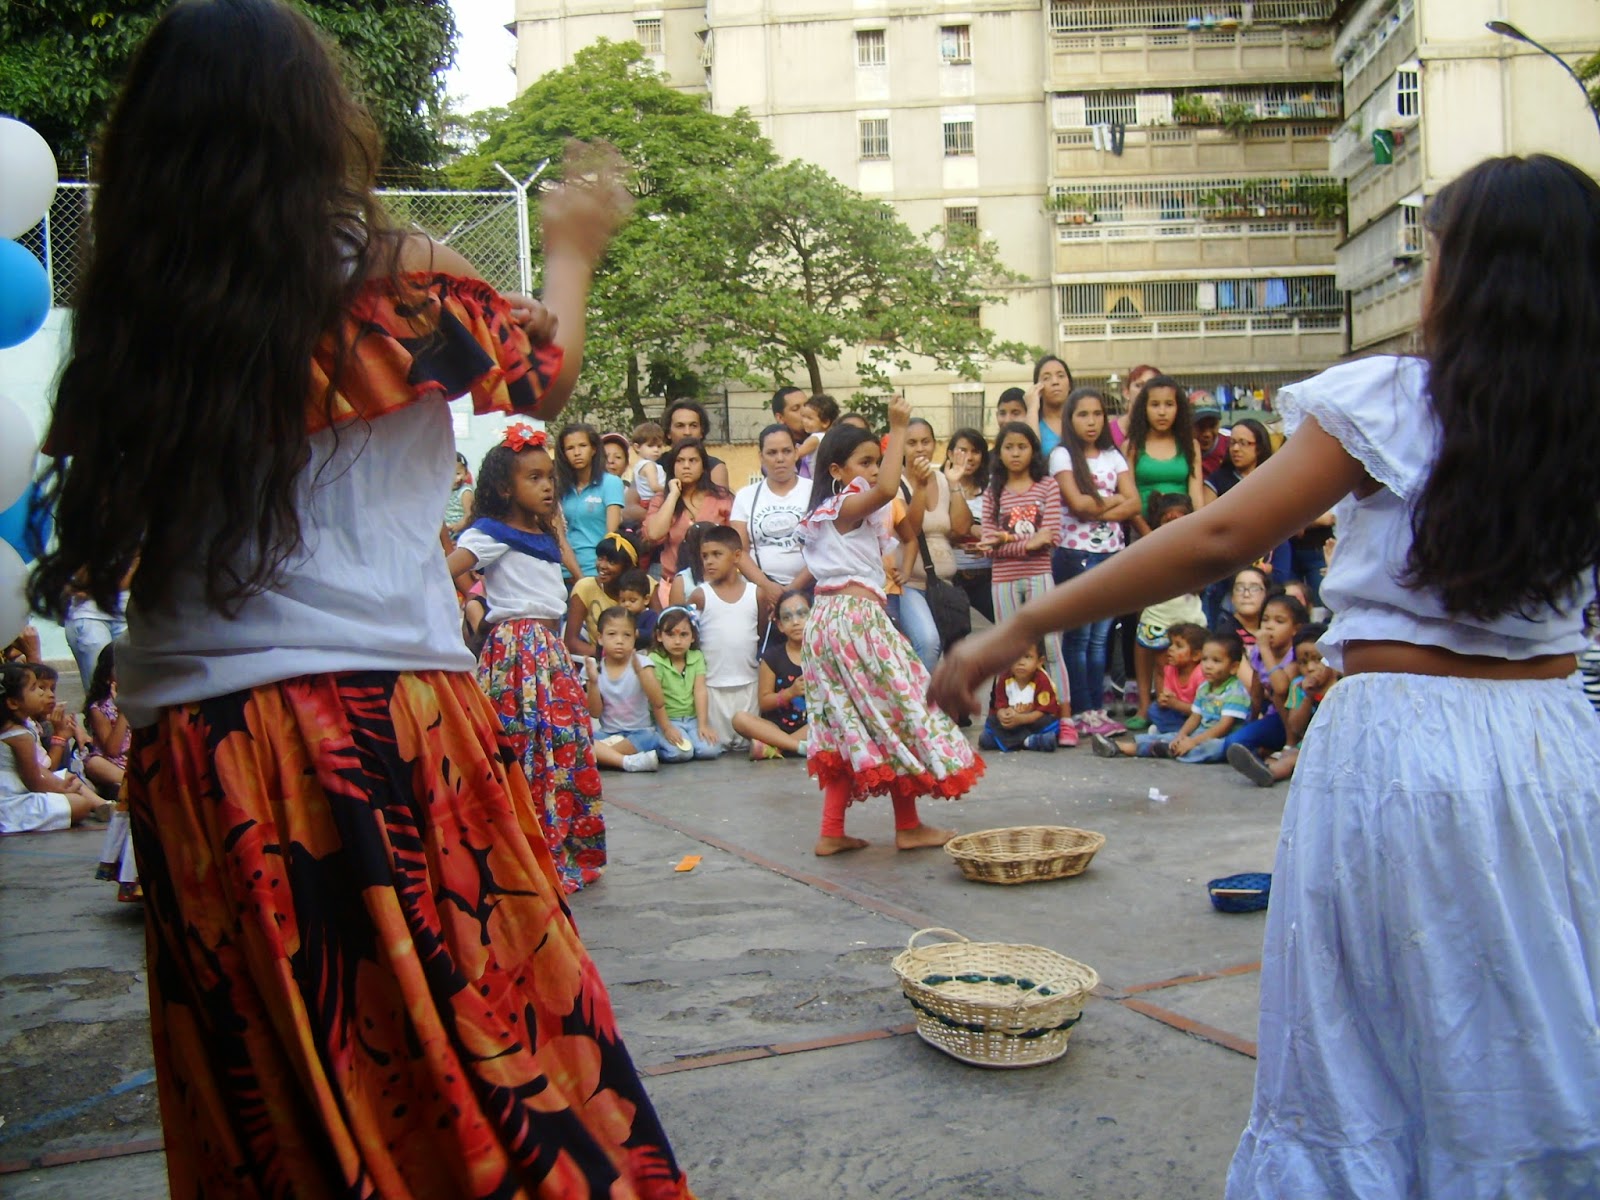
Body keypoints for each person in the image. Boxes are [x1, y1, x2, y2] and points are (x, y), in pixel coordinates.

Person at [24, 4, 692, 1193]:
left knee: (276, 1094)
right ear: (314, 123)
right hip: (374, 724)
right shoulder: (390, 277)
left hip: (196, 754)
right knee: (487, 1060)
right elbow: (540, 370)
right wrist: (575, 242)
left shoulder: (132, 327)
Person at [930, 153, 1600, 1199]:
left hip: (1403, 749)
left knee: (1371, 1025)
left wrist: (1016, 632)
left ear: (1470, 277)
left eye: (1430, 256)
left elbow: (1220, 536)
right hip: (1553, 747)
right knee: (1538, 1006)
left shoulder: (1395, 400)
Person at [797, 396, 982, 856]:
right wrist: (897, 428)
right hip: (854, 622)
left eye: (878, 461)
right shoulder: (841, 506)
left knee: (849, 722)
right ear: (837, 470)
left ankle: (833, 829)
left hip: (834, 623)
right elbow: (882, 492)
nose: (876, 469)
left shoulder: (845, 510)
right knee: (902, 710)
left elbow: (909, 527)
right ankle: (908, 825)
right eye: (866, 461)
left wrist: (918, 487)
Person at [447, 426, 609, 897]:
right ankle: (527, 851)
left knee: (561, 744)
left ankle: (561, 846)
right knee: (525, 746)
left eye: (548, 476)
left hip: (549, 649)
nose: (546, 485)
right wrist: (473, 606)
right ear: (503, 488)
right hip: (517, 652)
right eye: (533, 478)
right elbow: (449, 568)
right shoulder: (489, 534)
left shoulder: (543, 531)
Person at [1050, 386, 1139, 737]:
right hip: (1075, 556)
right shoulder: (1062, 456)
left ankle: (1097, 710)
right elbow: (1077, 505)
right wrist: (1114, 500)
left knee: (1101, 639)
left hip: (1111, 554)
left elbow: (1135, 505)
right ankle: (1083, 708)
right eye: (1082, 414)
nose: (1091, 421)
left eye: (1097, 414)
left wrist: (1098, 503)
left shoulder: (1113, 456)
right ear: (1071, 419)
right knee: (1078, 638)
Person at [980, 421, 1073, 744]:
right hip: (1003, 578)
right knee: (1007, 646)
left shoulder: (1047, 485)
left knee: (1050, 645)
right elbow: (988, 540)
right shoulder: (994, 490)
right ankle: (1003, 714)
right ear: (1000, 452)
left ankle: (1064, 717)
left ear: (1032, 450)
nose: (1015, 453)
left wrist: (1006, 542)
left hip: (1039, 574)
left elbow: (1052, 538)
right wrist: (1026, 541)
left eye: (1022, 446)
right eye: (1008, 447)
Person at [1088, 632, 1248, 762]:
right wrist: (1181, 736)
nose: (1208, 665)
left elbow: (1224, 726)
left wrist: (1193, 741)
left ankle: (1152, 750)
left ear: (1233, 667)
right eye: (1205, 659)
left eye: (1216, 661)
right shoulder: (1205, 687)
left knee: (1213, 748)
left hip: (1221, 737)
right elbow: (1195, 717)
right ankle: (1121, 745)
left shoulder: (1234, 691)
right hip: (1200, 732)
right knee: (1171, 737)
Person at [1228, 623, 1338, 787]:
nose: (1310, 668)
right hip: (1310, 744)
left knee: (1295, 758)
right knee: (1289, 757)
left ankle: (1272, 769)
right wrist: (1308, 697)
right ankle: (1265, 771)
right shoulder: (1299, 687)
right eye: (1303, 662)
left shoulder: (1342, 685)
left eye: (1318, 660)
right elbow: (1296, 726)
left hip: (1337, 743)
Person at [0, 663, 106, 832]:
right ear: (13, 703)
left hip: (20, 788)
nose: (42, 693)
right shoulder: (19, 736)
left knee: (70, 783)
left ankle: (104, 806)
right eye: (35, 688)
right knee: (80, 804)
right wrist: (61, 789)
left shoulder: (22, 728)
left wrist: (61, 785)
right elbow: (34, 781)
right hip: (10, 802)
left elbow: (40, 772)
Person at [730, 424, 811, 630]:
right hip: (763, 594)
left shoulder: (814, 491)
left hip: (810, 589)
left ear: (796, 452)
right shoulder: (745, 496)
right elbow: (739, 552)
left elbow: (825, 548)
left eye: (786, 451)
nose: (780, 458)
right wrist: (767, 587)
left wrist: (793, 590)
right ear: (761, 456)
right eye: (772, 452)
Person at [688, 524, 759, 749]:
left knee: (750, 743)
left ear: (737, 556)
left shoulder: (756, 593)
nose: (709, 561)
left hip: (748, 685)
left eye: (717, 554)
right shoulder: (699, 596)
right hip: (712, 688)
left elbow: (760, 631)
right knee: (714, 747)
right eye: (705, 556)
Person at [580, 607, 675, 772]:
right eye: (612, 634)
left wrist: (641, 673)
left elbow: (658, 701)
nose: (619, 640)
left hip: (639, 734)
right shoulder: (594, 668)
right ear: (600, 638)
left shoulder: (643, 663)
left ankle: (602, 757)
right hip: (608, 735)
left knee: (650, 738)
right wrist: (593, 683)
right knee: (581, 740)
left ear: (635, 636)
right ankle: (627, 762)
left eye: (626, 635)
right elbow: (595, 713)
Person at [644, 437, 734, 605]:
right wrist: (673, 495)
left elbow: (736, 544)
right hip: (672, 587)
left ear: (703, 466)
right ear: (672, 466)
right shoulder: (661, 499)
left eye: (693, 460)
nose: (686, 466)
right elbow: (654, 534)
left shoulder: (721, 498)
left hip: (718, 587)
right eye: (680, 461)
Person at [1205, 417, 1290, 581]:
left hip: (1271, 551)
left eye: (1243, 443)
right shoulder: (1217, 479)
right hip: (1228, 555)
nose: (1236, 449)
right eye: (1232, 443)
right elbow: (1209, 521)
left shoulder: (1273, 479)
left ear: (1258, 448)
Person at [732, 588, 811, 759]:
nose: (795, 622)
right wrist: (790, 693)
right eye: (787, 617)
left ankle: (777, 748)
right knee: (740, 719)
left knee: (831, 721)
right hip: (776, 728)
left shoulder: (821, 654)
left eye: (802, 614)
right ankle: (797, 747)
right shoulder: (771, 657)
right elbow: (764, 702)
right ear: (780, 626)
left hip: (811, 727)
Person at [1125, 374, 1205, 533]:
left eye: (1169, 404)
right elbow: (1129, 497)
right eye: (1154, 405)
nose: (1162, 412)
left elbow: (1196, 496)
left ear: (1178, 408)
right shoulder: (1132, 446)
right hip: (1142, 533)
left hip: (1184, 530)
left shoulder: (1190, 446)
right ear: (1144, 408)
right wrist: (1148, 535)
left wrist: (1199, 529)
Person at [647, 605, 724, 760]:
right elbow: (656, 700)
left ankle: (690, 737)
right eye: (670, 634)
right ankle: (655, 744)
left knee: (710, 750)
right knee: (681, 753)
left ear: (693, 637)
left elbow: (700, 691)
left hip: (692, 719)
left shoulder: (696, 657)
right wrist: (667, 728)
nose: (677, 641)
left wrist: (703, 724)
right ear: (659, 636)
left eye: (684, 635)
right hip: (667, 720)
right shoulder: (655, 660)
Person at [556, 422, 625, 578]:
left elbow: (611, 535)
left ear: (594, 449)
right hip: (564, 571)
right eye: (570, 448)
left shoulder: (610, 483)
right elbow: (559, 536)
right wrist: (576, 575)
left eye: (582, 445)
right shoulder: (561, 488)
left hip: (597, 571)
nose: (577, 452)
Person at [943, 428, 994, 623]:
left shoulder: (992, 487)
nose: (969, 457)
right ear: (949, 454)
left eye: (976, 451)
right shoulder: (939, 485)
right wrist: (972, 529)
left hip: (986, 574)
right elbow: (950, 530)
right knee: (955, 636)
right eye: (963, 450)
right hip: (952, 576)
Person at [564, 529, 641, 654]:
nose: (602, 565)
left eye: (611, 562)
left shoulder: (643, 585)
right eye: (600, 558)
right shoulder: (585, 587)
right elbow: (570, 642)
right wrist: (608, 656)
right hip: (601, 664)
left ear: (627, 567)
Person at [979, 640, 1061, 753]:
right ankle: (1029, 741)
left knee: (1050, 722)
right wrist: (1003, 715)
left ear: (1039, 661)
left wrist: (1022, 719)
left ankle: (1017, 741)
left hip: (1031, 721)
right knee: (990, 726)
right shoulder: (1004, 678)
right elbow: (999, 704)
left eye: (1027, 657)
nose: (1020, 662)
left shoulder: (1042, 680)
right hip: (1012, 723)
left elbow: (1043, 710)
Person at [1149, 621, 1208, 736]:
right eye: (1171, 644)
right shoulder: (1170, 669)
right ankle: (1176, 732)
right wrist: (1164, 700)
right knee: (1154, 709)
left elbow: (1204, 710)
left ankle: (1172, 733)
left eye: (1178, 646)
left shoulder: (1201, 674)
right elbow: (1167, 696)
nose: (1170, 649)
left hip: (1199, 714)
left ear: (1196, 655)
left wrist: (1175, 704)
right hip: (1180, 714)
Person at [661, 398, 730, 488]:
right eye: (680, 426)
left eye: (693, 426)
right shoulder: (655, 465)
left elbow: (720, 501)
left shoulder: (715, 468)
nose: (687, 432)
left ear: (702, 431)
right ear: (668, 432)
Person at [1027, 354, 1074, 457]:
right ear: (1037, 387)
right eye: (1046, 378)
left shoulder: (1079, 419)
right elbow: (1032, 457)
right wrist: (1032, 408)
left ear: (1069, 384)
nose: (1055, 382)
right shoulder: (1034, 423)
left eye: (1060, 376)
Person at [1109, 362, 1161, 448]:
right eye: (1139, 385)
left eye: (1151, 385)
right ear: (1126, 393)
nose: (1144, 390)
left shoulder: (1166, 432)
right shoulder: (1108, 432)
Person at [629, 419, 668, 510]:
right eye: (650, 446)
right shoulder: (649, 466)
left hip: (645, 501)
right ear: (637, 447)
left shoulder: (638, 465)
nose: (656, 450)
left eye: (659, 446)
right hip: (654, 500)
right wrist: (670, 490)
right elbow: (654, 487)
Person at [1191, 391, 1229, 476]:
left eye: (1212, 426)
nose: (1207, 434)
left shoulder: (1230, 447)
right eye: (1201, 427)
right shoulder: (1178, 449)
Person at [442, 450, 475, 544]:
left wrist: (460, 525)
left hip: (460, 530)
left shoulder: (465, 492)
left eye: (458, 474)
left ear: (465, 474)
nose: (455, 478)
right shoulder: (444, 491)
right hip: (446, 529)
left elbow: (470, 514)